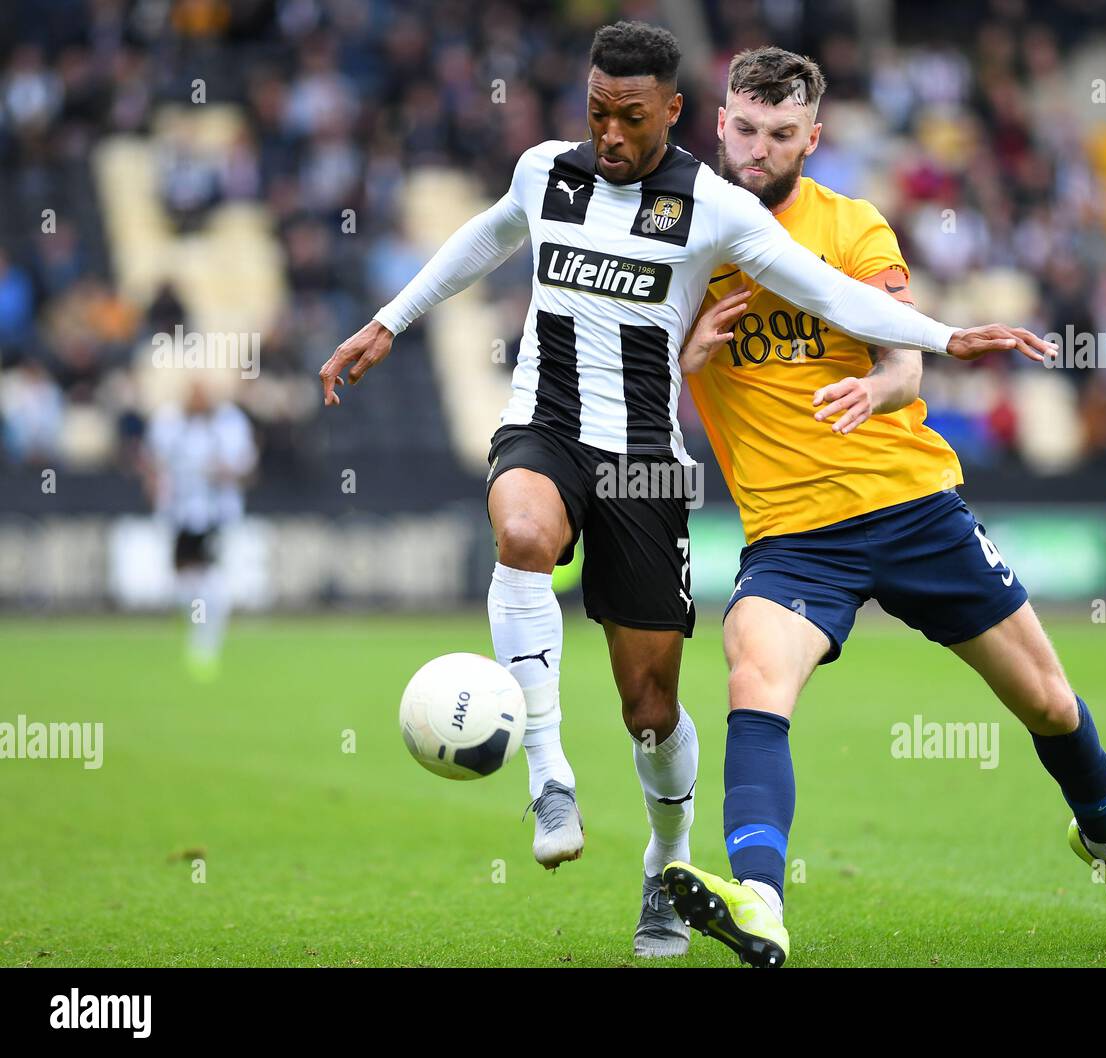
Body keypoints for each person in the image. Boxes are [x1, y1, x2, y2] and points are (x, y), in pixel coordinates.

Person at [317, 21, 1053, 959]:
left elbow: (828, 292)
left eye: (629, 117)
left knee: (651, 710)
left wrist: (945, 338)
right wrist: (389, 320)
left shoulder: (715, 208)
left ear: (671, 111)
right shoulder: (546, 172)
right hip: (546, 425)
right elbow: (487, 237)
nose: (609, 133)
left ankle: (666, 859)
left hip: (646, 462)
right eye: (596, 111)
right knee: (523, 535)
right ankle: (549, 776)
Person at [660, 47, 1106, 967]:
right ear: (719, 124)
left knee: (1050, 703)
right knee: (754, 679)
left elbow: (904, 358)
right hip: (793, 536)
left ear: (812, 139)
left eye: (781, 133)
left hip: (911, 506)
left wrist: (876, 390)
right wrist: (681, 354)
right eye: (744, 128)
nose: (757, 148)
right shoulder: (683, 243)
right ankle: (762, 903)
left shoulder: (852, 225)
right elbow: (628, 385)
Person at [142, 380, 256, 680]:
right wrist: (157, 493)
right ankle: (199, 631)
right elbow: (152, 464)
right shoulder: (168, 423)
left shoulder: (230, 423)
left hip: (215, 514)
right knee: (184, 582)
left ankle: (205, 644)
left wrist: (224, 471)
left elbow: (246, 468)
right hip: (180, 514)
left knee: (211, 579)